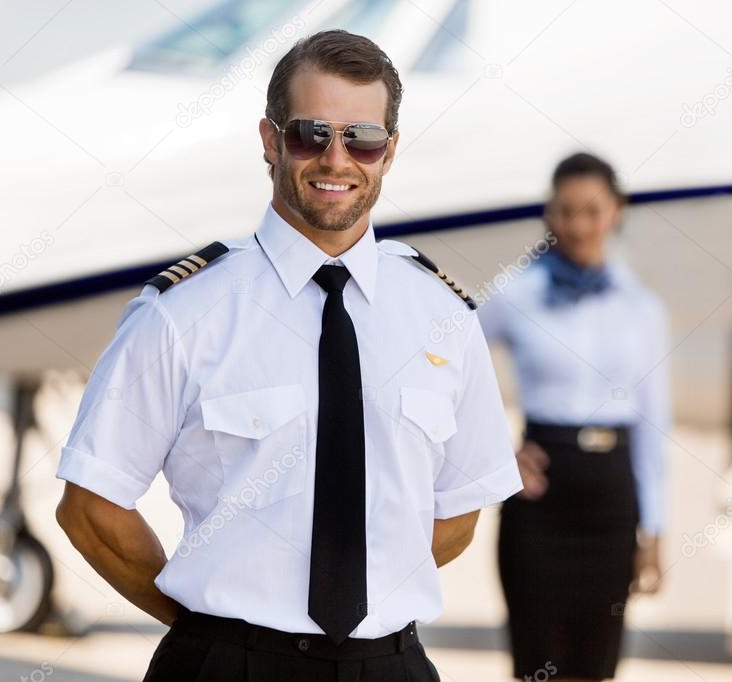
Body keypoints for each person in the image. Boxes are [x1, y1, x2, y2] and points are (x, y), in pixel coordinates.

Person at [54, 30, 523, 682]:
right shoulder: (182, 313)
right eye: (310, 134)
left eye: (362, 139)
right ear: (270, 141)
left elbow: (458, 512)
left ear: (389, 152)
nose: (336, 159)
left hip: (389, 666)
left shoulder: (443, 316)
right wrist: (206, 624)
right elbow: (91, 508)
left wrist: (369, 591)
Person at [479, 153, 671, 681]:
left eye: (592, 211)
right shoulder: (516, 292)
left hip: (611, 500)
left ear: (616, 212)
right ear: (549, 214)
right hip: (541, 499)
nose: (578, 225)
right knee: (538, 663)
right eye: (565, 211)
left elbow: (656, 422)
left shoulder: (641, 306)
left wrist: (655, 528)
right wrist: (494, 453)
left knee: (594, 665)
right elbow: (446, 364)